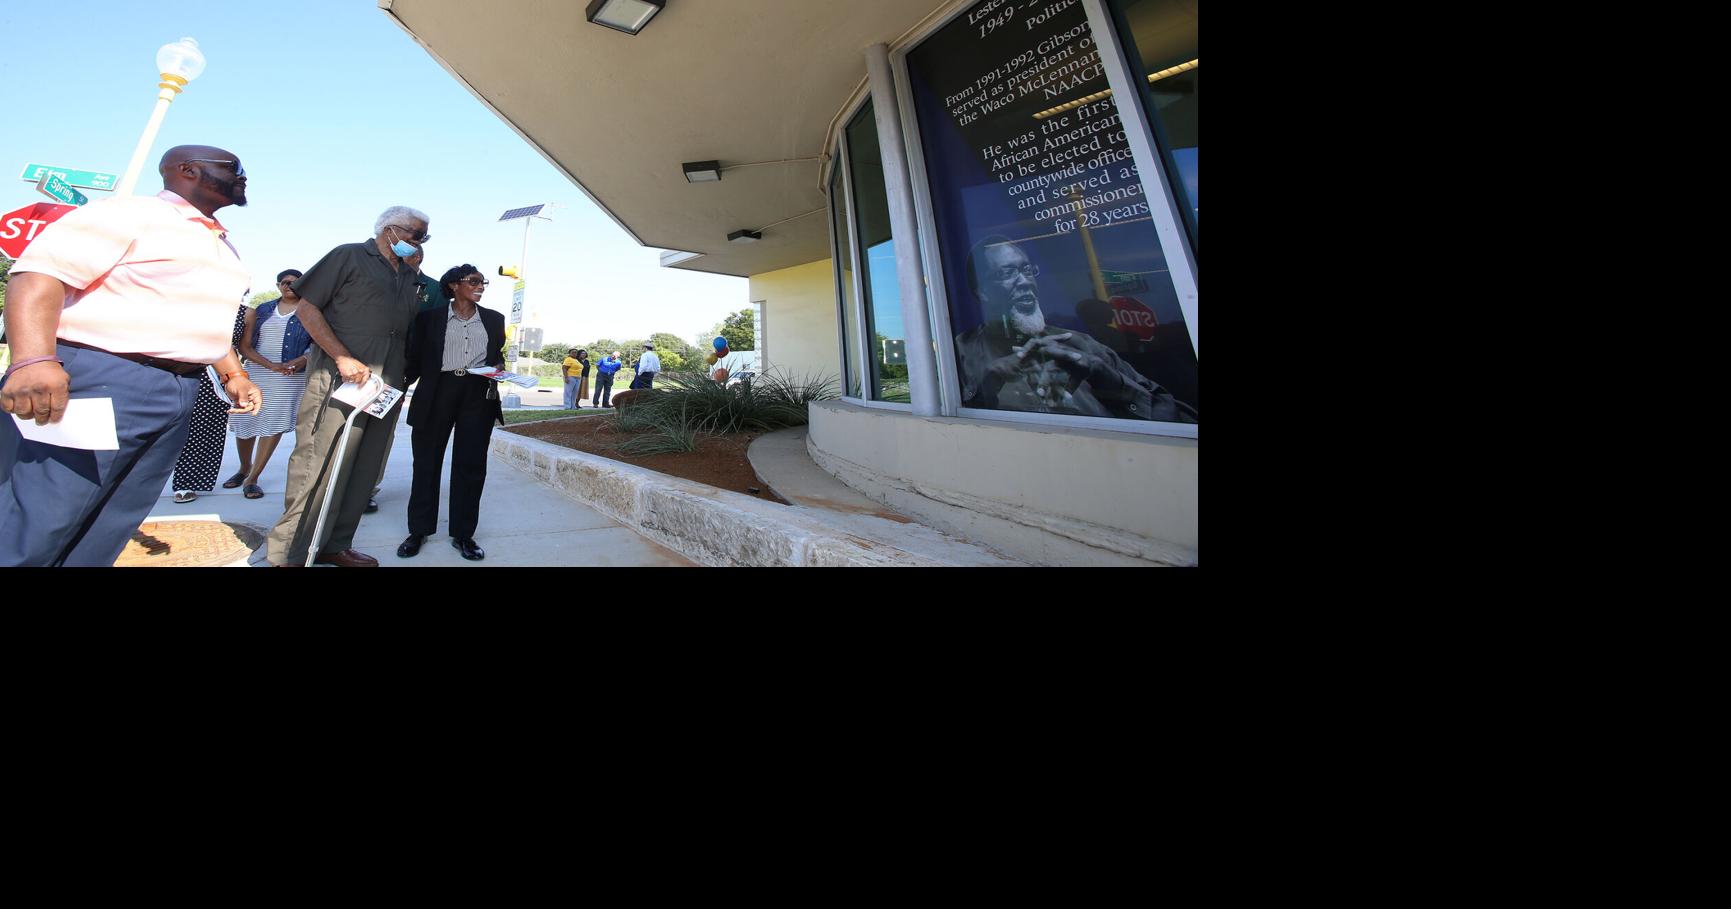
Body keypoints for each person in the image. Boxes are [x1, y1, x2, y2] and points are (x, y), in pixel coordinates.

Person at [0, 145, 261, 566]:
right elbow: (37, 276)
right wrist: (33, 360)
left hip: (178, 388)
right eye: (234, 167)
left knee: (112, 519)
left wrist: (233, 374)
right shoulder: (129, 214)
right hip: (106, 378)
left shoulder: (217, 240)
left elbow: (197, 318)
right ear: (187, 170)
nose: (244, 175)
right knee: (47, 514)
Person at [264, 206, 430, 568]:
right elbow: (307, 310)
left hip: (383, 387)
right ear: (390, 230)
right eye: (416, 235)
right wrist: (341, 357)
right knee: (317, 463)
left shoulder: (408, 275)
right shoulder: (349, 255)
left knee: (362, 468)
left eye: (423, 238)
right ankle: (288, 553)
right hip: (340, 379)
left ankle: (335, 544)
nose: (419, 243)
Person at [955, 235, 1195, 422]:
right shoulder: (959, 354)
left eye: (1027, 270)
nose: (1025, 281)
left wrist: (1110, 381)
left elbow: (1182, 422)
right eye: (1007, 273)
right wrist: (987, 388)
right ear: (982, 291)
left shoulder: (1083, 346)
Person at [396, 264, 507, 562]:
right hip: (437, 391)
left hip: (478, 394)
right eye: (473, 281)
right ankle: (418, 531)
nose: (480, 285)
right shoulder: (429, 319)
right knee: (427, 462)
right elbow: (414, 358)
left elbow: (498, 355)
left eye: (482, 282)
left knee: (470, 465)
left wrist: (499, 369)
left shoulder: (495, 319)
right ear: (454, 286)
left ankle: (463, 534)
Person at [366, 249, 444, 514]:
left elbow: (433, 335)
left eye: (401, 258)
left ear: (417, 258)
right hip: (363, 363)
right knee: (352, 425)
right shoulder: (378, 281)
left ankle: (365, 488)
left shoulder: (434, 289)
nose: (395, 262)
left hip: (399, 370)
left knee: (379, 427)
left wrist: (412, 372)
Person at [227, 270, 313, 499]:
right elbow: (245, 346)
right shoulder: (263, 309)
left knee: (273, 423)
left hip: (289, 375)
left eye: (296, 283)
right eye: (285, 283)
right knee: (246, 419)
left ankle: (252, 477)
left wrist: (302, 360)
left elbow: (317, 344)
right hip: (258, 369)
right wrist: (269, 365)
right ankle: (244, 467)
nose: (289, 286)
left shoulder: (311, 309)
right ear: (278, 286)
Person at [170, 303, 251, 502]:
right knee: (179, 430)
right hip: (185, 370)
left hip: (222, 376)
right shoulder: (197, 303)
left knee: (208, 430)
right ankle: (175, 481)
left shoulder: (247, 312)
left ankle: (191, 483)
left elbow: (244, 347)